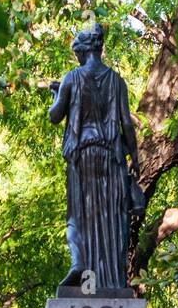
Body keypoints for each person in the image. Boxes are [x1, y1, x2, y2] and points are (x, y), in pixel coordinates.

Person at [48, 22, 140, 291]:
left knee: (78, 216)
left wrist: (56, 95)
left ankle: (80, 263)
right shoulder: (116, 80)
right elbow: (127, 123)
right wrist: (134, 156)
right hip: (111, 157)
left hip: (83, 154)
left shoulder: (72, 78)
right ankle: (111, 281)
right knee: (112, 218)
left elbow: (55, 116)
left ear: (84, 51)